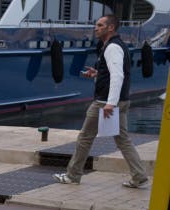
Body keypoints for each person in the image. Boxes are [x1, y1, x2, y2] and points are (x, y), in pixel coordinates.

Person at [53, 14, 148, 188]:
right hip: (120, 100)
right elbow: (114, 73)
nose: (96, 28)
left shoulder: (112, 47)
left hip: (105, 102)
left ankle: (72, 176)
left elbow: (118, 75)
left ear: (110, 28)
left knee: (85, 137)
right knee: (122, 140)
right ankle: (139, 175)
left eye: (100, 25)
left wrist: (110, 103)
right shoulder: (114, 46)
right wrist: (97, 74)